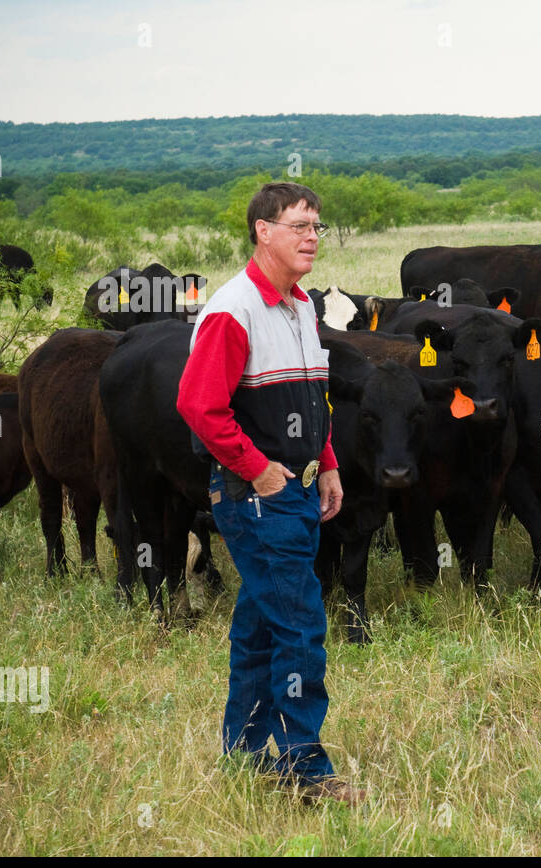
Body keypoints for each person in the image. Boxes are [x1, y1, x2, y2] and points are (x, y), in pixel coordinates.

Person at [177, 181, 363, 806]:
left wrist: (328, 464)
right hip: (257, 495)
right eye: (298, 225)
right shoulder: (234, 309)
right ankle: (306, 770)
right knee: (301, 624)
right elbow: (199, 406)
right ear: (263, 230)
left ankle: (247, 750)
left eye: (316, 225)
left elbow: (312, 400)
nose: (313, 236)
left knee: (263, 621)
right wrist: (257, 469)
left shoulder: (302, 305)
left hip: (299, 487)